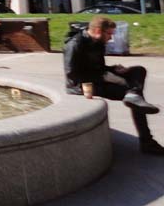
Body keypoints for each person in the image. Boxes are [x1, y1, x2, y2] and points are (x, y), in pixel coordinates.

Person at [64, 16, 164, 155]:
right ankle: (147, 141)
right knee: (134, 99)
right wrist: (106, 76)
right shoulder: (75, 44)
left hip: (99, 78)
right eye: (109, 34)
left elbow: (98, 67)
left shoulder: (98, 42)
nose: (110, 38)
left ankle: (133, 94)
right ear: (98, 31)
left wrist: (113, 69)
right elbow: (72, 74)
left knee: (138, 70)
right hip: (83, 86)